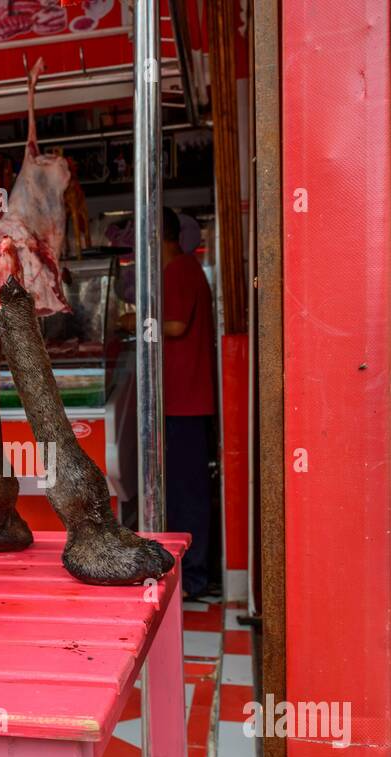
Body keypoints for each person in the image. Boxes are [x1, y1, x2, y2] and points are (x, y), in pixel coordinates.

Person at [159, 208, 215, 597]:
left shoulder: (179, 270)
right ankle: (190, 573)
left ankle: (193, 577)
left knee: (187, 493)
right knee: (183, 491)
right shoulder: (183, 269)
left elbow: (176, 326)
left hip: (186, 402)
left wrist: (141, 320)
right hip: (183, 400)